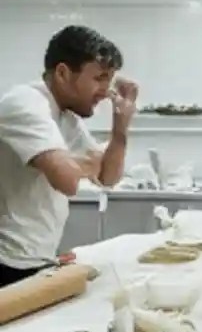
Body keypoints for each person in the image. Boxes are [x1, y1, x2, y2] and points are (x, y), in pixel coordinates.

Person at [0, 26, 137, 287]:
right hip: (8, 261)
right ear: (63, 73)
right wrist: (80, 166)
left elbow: (107, 176)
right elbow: (67, 181)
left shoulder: (66, 117)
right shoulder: (25, 103)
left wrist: (120, 128)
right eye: (99, 78)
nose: (107, 91)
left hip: (35, 256)